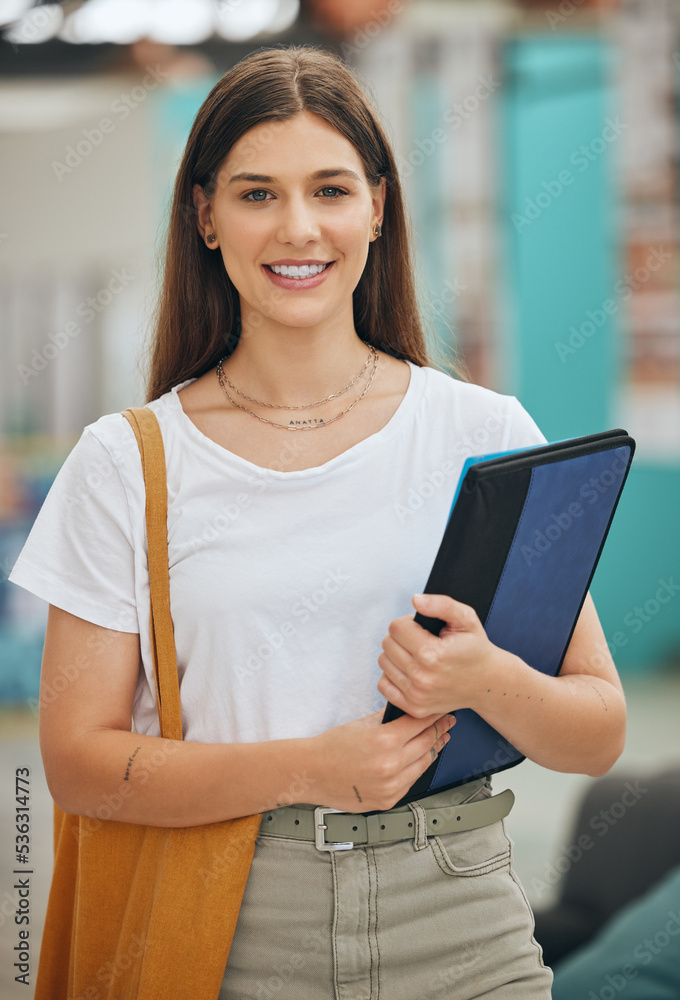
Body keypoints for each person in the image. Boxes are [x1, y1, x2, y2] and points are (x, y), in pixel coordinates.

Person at [10, 45, 626, 1000]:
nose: (298, 227)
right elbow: (78, 764)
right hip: (234, 923)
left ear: (377, 206)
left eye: (330, 189)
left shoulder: (483, 431)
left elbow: (597, 733)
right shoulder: (124, 463)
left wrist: (486, 679)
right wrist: (310, 768)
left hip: (462, 918)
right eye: (257, 194)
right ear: (204, 215)